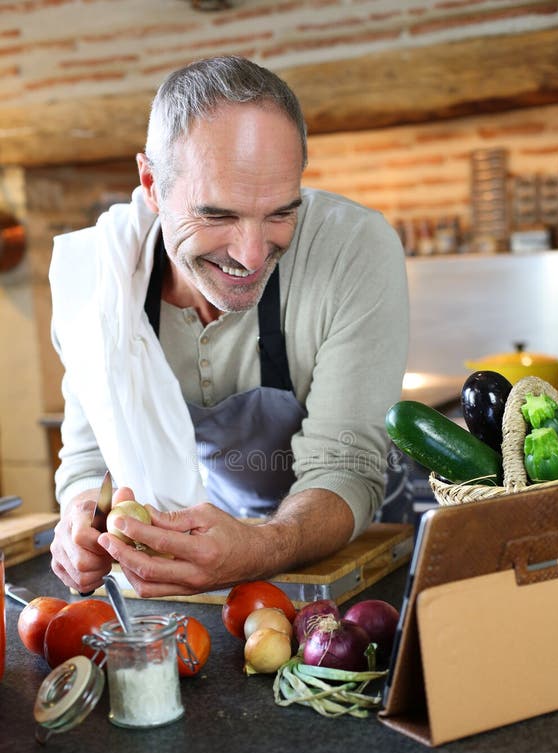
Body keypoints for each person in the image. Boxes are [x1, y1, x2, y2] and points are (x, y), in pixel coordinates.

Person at [49, 55, 409, 598]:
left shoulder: (353, 249)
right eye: (218, 215)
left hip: (347, 548)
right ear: (152, 184)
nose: (251, 255)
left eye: (280, 213)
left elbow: (346, 464)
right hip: (195, 557)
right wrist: (82, 520)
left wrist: (262, 545)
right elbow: (87, 461)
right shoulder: (97, 281)